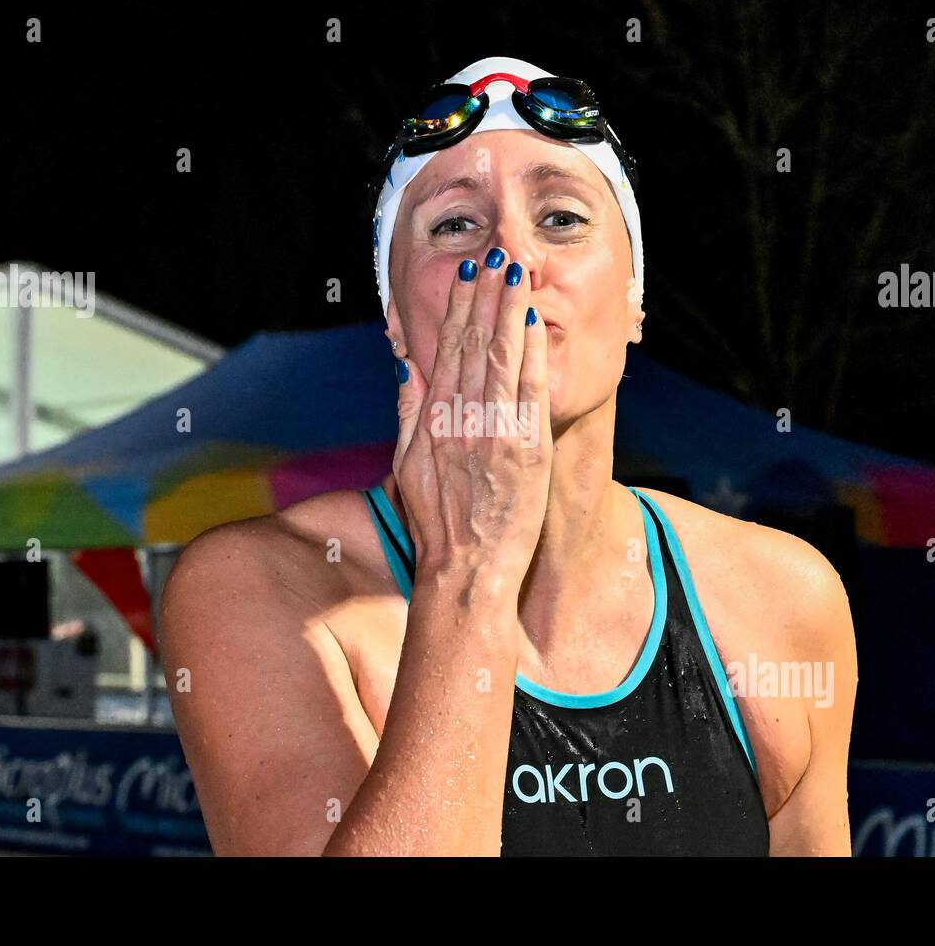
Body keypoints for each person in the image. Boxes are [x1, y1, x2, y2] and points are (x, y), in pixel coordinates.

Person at [159, 56, 858, 856]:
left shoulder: (780, 598)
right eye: (456, 224)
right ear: (393, 318)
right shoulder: (269, 591)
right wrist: (469, 573)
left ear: (634, 299)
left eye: (561, 217)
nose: (515, 260)